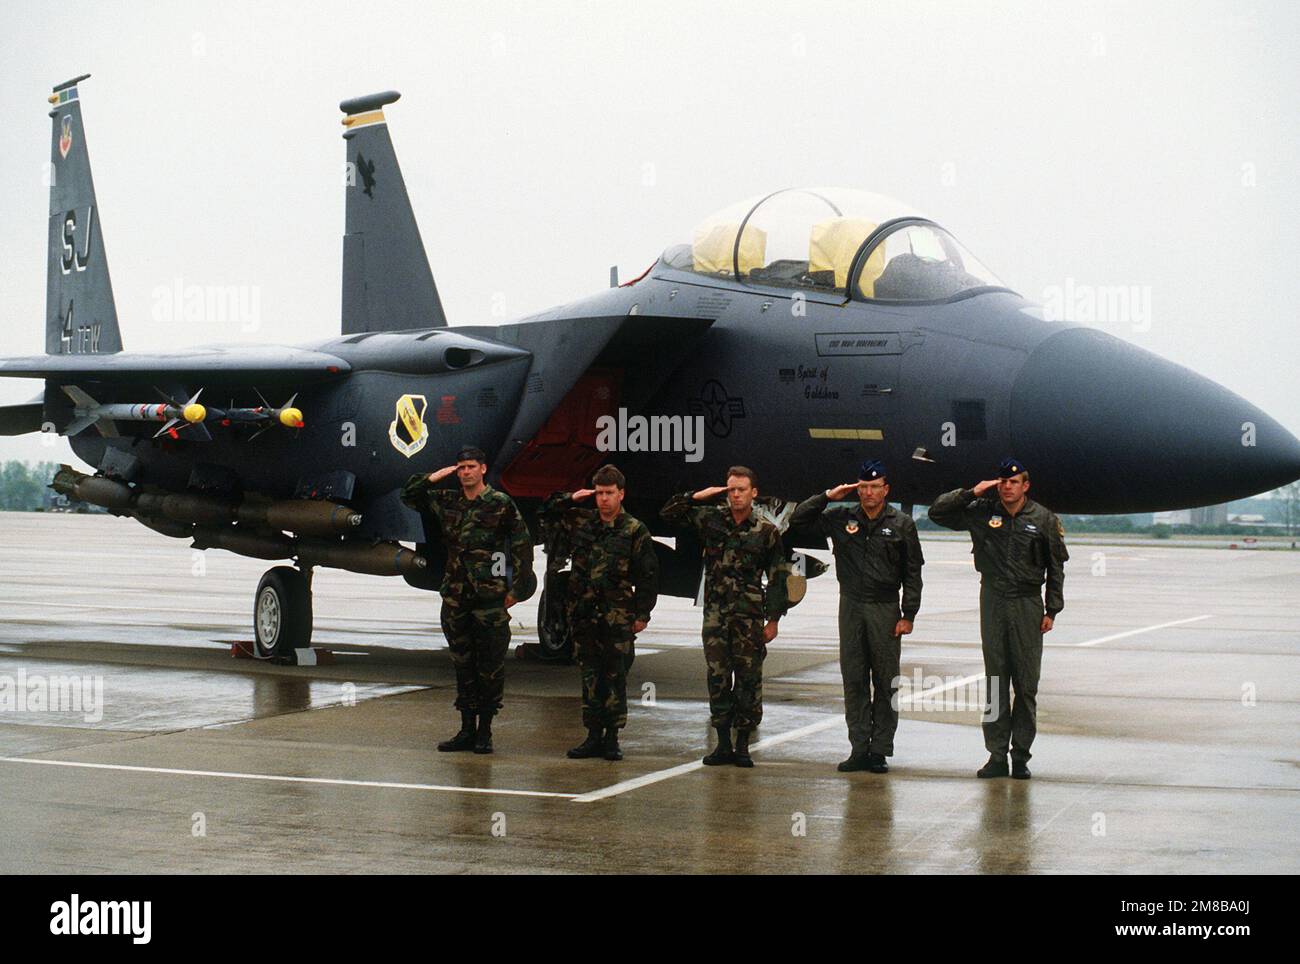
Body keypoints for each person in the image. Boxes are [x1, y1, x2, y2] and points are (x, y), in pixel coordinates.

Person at [928, 457, 1068, 779]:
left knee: (1026, 684)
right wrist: (972, 492)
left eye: (1014, 482)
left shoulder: (1044, 519)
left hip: (1027, 603)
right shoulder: (982, 512)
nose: (1007, 487)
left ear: (1025, 486)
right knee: (995, 683)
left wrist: (1051, 610)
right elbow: (938, 512)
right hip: (992, 599)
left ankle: (1020, 756)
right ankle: (996, 755)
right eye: (1003, 482)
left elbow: (1056, 567)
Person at [400, 446, 536, 754]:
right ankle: (465, 729)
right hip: (455, 597)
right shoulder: (448, 500)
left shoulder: (500, 504)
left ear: (483, 469)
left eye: (471, 466)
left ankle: (485, 732)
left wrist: (517, 591)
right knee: (462, 664)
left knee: (489, 667)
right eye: (461, 467)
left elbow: (522, 546)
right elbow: (409, 496)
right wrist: (435, 477)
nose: (465, 472)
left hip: (489, 599)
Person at [790, 460, 923, 774]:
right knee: (854, 680)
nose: (868, 492)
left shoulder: (902, 523)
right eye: (863, 487)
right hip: (850, 606)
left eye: (875, 487)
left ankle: (880, 750)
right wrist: (827, 496)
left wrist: (909, 615)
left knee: (885, 682)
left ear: (885, 490)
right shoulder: (841, 517)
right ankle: (859, 748)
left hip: (885, 608)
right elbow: (798, 520)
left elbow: (912, 573)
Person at [660, 466, 790, 768]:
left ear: (753, 493)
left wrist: (774, 620)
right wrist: (695, 496)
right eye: (731, 489)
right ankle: (721, 744)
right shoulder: (711, 520)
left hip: (749, 619)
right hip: (716, 617)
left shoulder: (766, 532)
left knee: (748, 681)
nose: (735, 495)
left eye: (741, 489)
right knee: (717, 678)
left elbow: (778, 577)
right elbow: (668, 514)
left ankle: (743, 745)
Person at [540, 465, 658, 761]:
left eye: (609, 493)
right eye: (600, 493)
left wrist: (642, 614)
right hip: (584, 616)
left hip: (617, 617)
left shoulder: (634, 530)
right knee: (590, 677)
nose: (604, 499)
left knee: (615, 677)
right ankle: (592, 735)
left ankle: (612, 738)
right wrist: (571, 498)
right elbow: (547, 512)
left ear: (621, 494)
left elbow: (648, 575)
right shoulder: (581, 522)